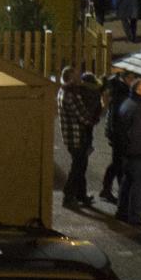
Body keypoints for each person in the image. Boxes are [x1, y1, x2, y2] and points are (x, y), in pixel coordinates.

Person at [59, 71, 99, 211]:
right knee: (77, 167)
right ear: (70, 78)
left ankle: (81, 195)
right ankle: (68, 196)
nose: (79, 80)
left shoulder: (64, 91)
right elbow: (83, 117)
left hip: (72, 136)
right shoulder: (70, 95)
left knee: (80, 166)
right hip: (76, 136)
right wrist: (101, 109)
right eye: (76, 77)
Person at [116, 80, 141, 225]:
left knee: (127, 182)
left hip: (126, 151)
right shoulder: (140, 108)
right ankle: (134, 216)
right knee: (138, 185)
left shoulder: (127, 103)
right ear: (139, 91)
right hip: (137, 153)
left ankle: (121, 212)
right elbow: (138, 133)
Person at [97, 73, 130, 204]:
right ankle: (111, 190)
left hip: (114, 134)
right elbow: (118, 120)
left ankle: (112, 189)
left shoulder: (116, 95)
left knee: (117, 163)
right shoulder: (121, 96)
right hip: (118, 135)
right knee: (118, 163)